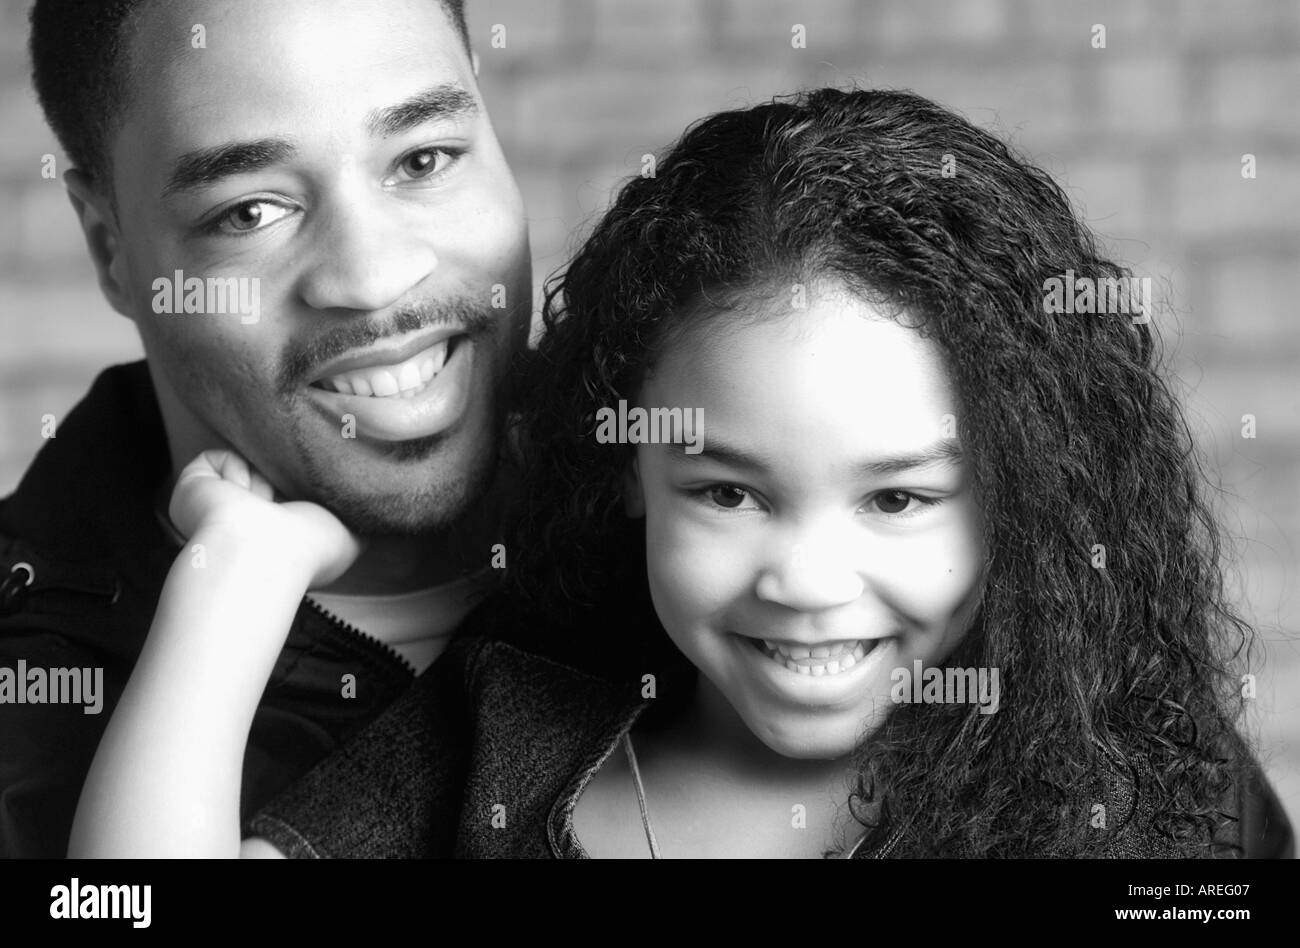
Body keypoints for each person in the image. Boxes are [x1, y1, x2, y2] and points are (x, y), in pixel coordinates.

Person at [75, 87, 1293, 858]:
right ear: (626, 473)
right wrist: (235, 582)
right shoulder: (506, 733)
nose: (808, 581)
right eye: (727, 491)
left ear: (1015, 507)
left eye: (898, 498)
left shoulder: (1133, 802)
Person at [0, 0, 531, 858]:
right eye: (249, 212)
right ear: (111, 250)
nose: (373, 275)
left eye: (423, 159)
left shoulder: (694, 523)